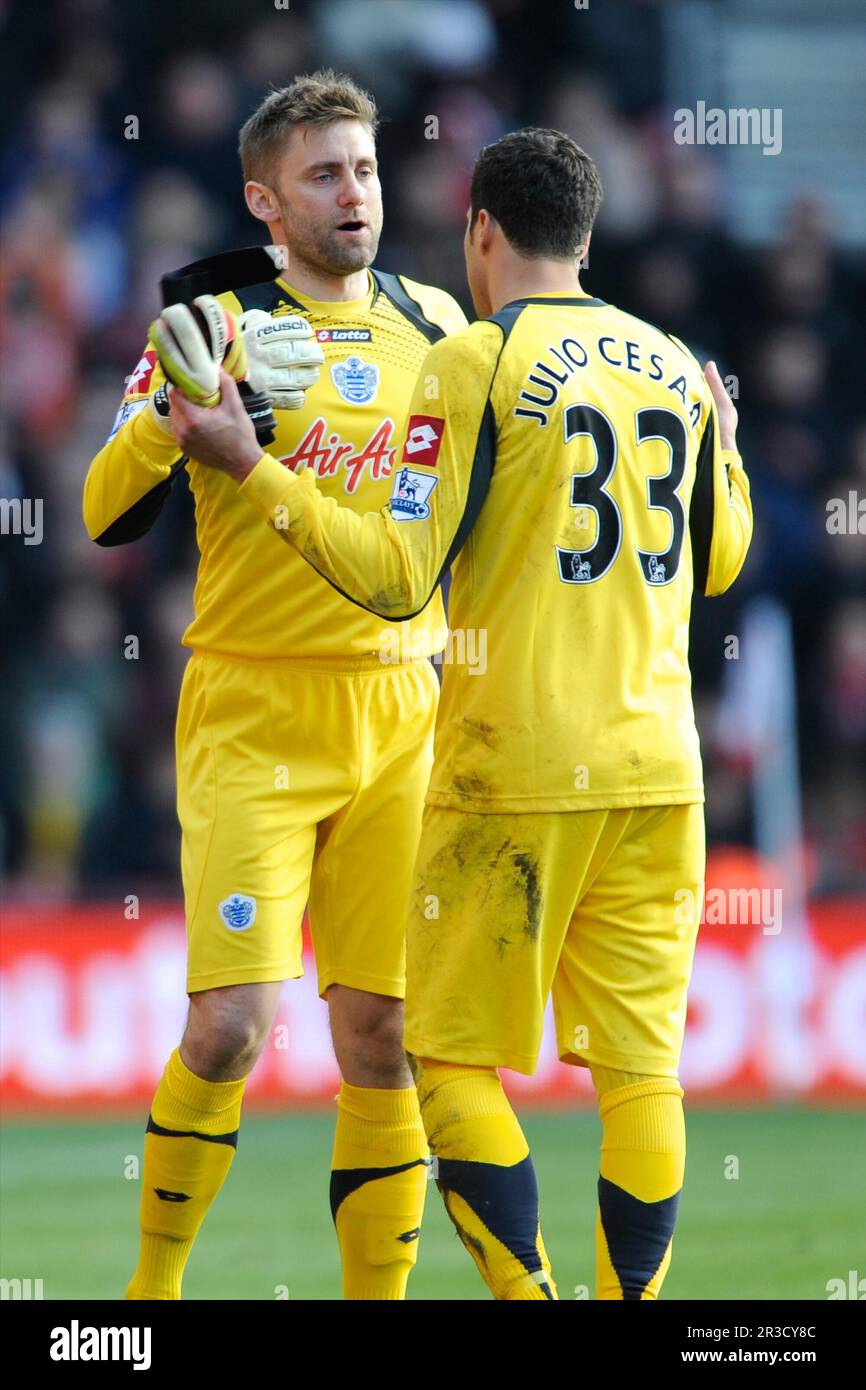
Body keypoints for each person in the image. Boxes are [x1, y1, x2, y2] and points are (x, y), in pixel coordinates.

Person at [164, 126, 752, 1301]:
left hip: (512, 766)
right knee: (642, 1075)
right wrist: (722, 454)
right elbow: (723, 561)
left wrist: (251, 466)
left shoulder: (471, 358)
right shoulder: (671, 359)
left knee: (446, 1059)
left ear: (479, 227)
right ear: (585, 234)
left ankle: (528, 1297)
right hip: (661, 770)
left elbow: (394, 576)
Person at [83, 69, 467, 1302]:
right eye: (322, 174)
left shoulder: (440, 325)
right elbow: (99, 512)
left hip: (404, 712)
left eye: (361, 168)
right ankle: (148, 1301)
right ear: (265, 200)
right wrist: (174, 416)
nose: (353, 192)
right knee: (232, 1026)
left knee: (385, 1037)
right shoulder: (217, 327)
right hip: (254, 711)